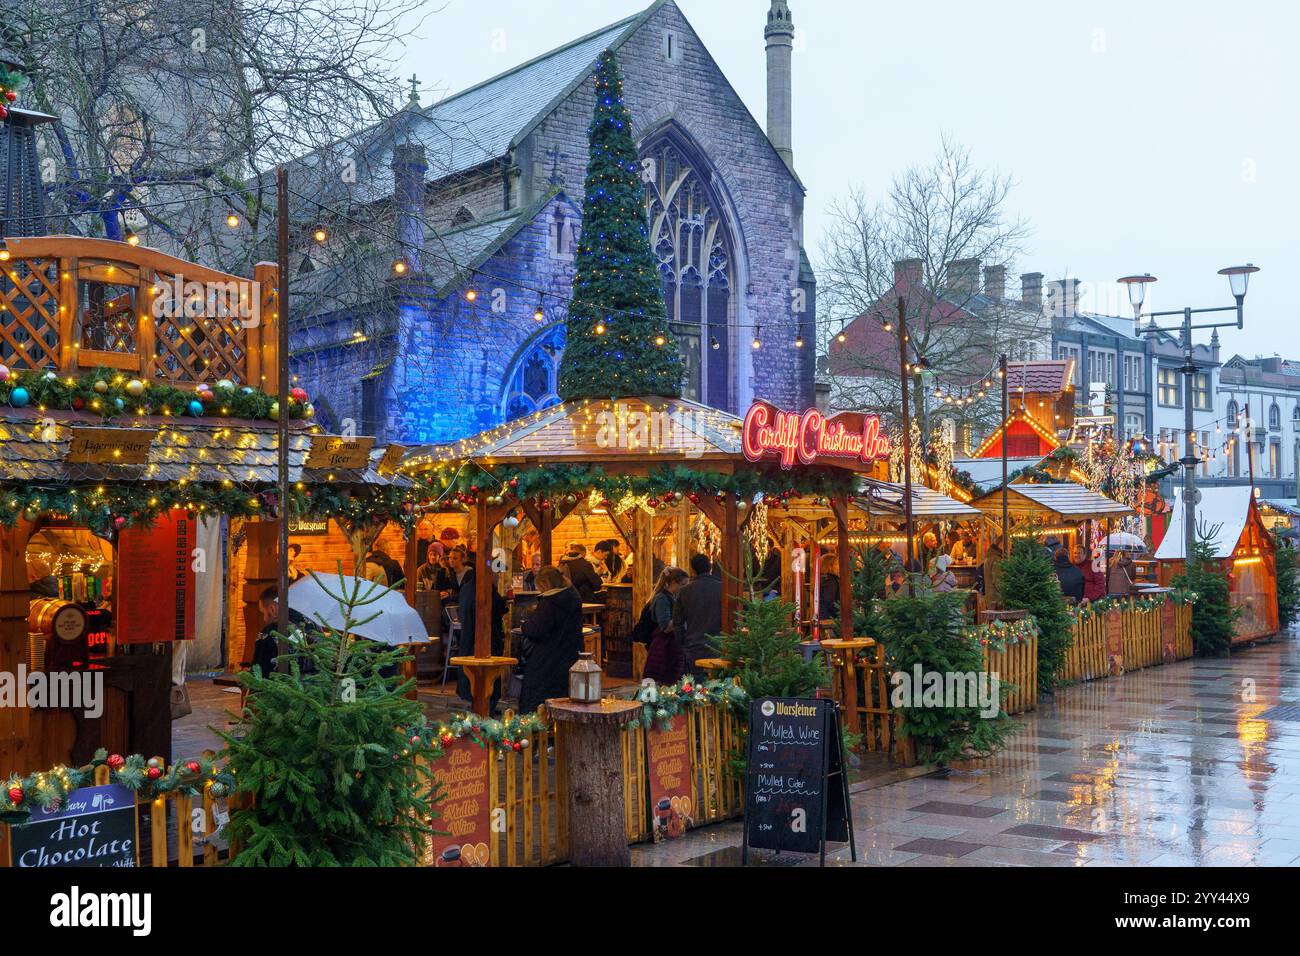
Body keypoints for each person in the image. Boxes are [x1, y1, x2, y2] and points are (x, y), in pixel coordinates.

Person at [517, 566, 583, 713]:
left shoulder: (551, 602)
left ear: (546, 584)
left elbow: (536, 630)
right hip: (570, 654)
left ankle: (537, 727)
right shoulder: (573, 596)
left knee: (539, 695)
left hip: (548, 657)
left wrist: (525, 626)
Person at [456, 552, 508, 714]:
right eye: (496, 574)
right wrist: (506, 600)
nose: (498, 578)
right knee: (484, 683)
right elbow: (496, 609)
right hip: (483, 643)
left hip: (468, 640)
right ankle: (484, 714)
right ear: (490, 573)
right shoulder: (484, 590)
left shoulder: (467, 587)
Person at [672, 554, 723, 673]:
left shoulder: (684, 592)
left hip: (693, 646)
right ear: (710, 567)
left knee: (695, 687)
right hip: (719, 646)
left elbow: (677, 622)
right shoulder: (723, 589)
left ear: (693, 570)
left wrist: (682, 643)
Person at [640, 566, 690, 684]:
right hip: (663, 647)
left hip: (672, 646)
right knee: (663, 681)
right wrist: (683, 615)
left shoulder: (674, 597)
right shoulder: (662, 599)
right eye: (683, 585)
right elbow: (666, 627)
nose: (685, 588)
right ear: (673, 583)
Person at [252, 585, 308, 676]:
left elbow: (257, 671)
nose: (264, 619)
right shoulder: (312, 625)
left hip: (280, 687)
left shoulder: (269, 633)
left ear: (272, 610)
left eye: (263, 613)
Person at [982, 541, 1004, 608]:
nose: (1010, 545)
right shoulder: (996, 559)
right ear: (1000, 545)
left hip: (990, 597)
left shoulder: (990, 557)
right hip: (996, 598)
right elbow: (998, 580)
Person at [819, 554, 841, 621]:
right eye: (837, 564)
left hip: (825, 615)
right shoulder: (830, 580)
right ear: (831, 565)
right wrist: (840, 613)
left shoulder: (824, 578)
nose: (839, 567)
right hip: (829, 617)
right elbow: (829, 601)